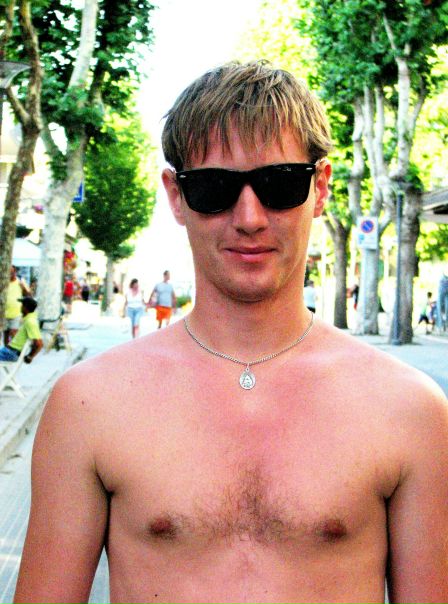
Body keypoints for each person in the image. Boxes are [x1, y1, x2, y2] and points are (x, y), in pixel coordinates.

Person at [14, 62, 448, 604]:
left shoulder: (408, 409)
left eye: (279, 184)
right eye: (215, 188)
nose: (249, 218)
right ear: (176, 195)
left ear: (320, 188)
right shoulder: (88, 404)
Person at [0, 296, 42, 364]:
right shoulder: (28, 319)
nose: (20, 307)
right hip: (8, 351)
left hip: (11, 353)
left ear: (25, 308)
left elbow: (39, 344)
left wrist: (30, 356)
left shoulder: (30, 321)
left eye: (22, 305)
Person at [4, 266, 30, 345]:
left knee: (13, 333)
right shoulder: (3, 282)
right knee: (6, 334)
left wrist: (23, 288)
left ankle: (15, 348)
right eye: (8, 272)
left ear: (15, 272)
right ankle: (7, 349)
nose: (10, 274)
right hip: (4, 313)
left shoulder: (20, 281)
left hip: (16, 313)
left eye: (12, 272)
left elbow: (28, 295)